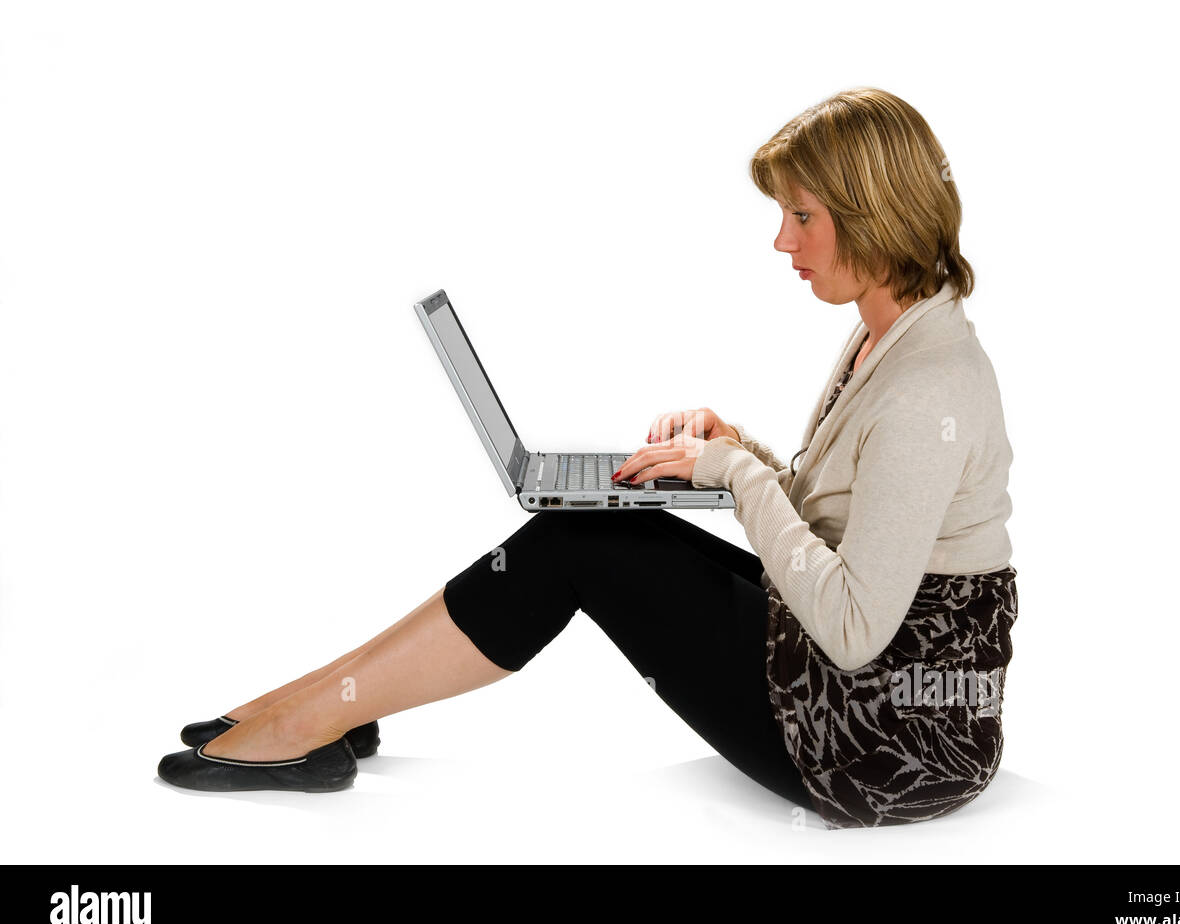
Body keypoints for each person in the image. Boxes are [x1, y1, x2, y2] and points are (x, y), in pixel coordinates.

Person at [157, 86, 1018, 829]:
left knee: (577, 544)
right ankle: (321, 703)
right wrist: (734, 448)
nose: (782, 242)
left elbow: (856, 630)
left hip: (885, 737)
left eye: (802, 216)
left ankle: (309, 721)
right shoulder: (889, 334)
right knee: (601, 524)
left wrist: (734, 472)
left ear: (873, 215)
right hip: (861, 674)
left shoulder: (927, 389)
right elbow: (842, 520)